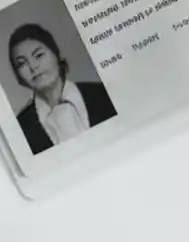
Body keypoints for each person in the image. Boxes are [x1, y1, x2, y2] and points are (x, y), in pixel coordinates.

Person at [7, 23, 116, 155]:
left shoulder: (103, 92)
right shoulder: (20, 128)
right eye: (21, 63)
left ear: (56, 54)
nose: (33, 66)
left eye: (39, 55)